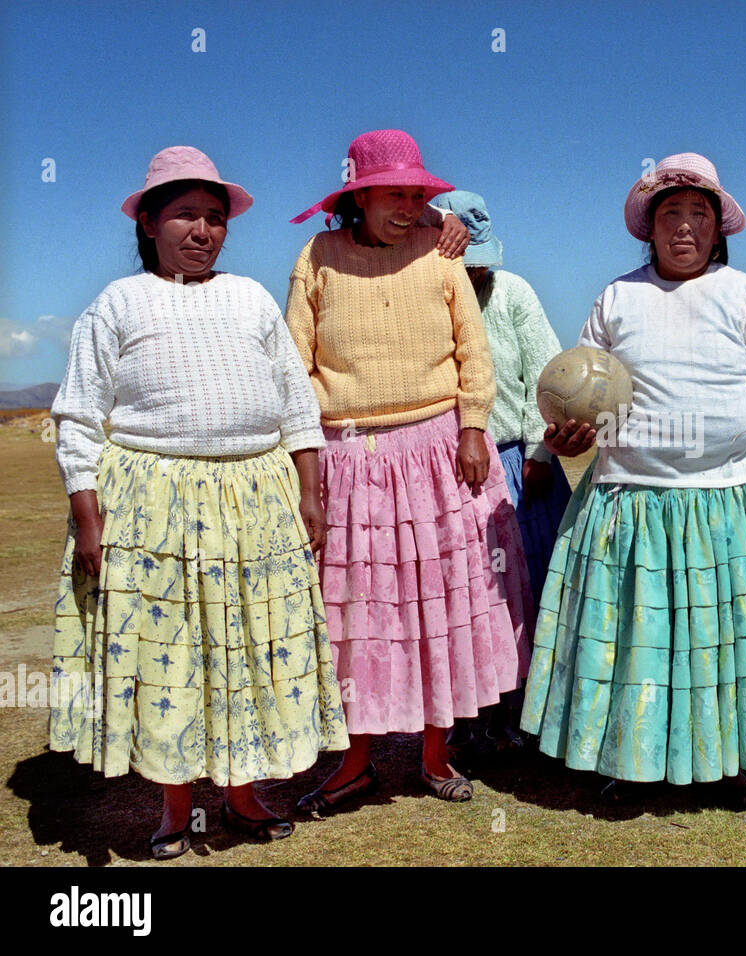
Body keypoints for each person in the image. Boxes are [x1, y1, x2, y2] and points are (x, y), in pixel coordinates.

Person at [49, 146, 348, 860]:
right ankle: (175, 809)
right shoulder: (116, 304)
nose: (203, 230)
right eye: (185, 214)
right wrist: (90, 522)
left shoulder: (249, 298)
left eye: (215, 218)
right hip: (153, 506)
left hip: (256, 500)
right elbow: (80, 418)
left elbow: (296, 406)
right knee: (172, 658)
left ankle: (244, 797)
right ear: (149, 222)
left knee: (248, 650)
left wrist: (311, 493)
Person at [520, 153, 746, 807]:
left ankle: (734, 763)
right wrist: (567, 441)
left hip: (731, 497)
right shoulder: (617, 297)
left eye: (698, 214)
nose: (684, 227)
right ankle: (629, 762)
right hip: (631, 497)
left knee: (729, 644)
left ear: (718, 229)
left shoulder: (744, 294)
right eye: (670, 214)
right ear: (648, 228)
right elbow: (584, 391)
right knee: (639, 640)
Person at [286, 130, 533, 809]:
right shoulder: (318, 258)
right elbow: (296, 369)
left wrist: (475, 427)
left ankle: (434, 755)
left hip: (438, 450)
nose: (406, 205)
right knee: (360, 617)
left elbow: (472, 353)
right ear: (357, 197)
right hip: (350, 456)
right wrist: (307, 468)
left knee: (442, 605)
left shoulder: (441, 253)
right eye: (392, 192)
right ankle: (355, 761)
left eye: (416, 194)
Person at [432, 189, 573, 756]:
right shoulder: (424, 294)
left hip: (519, 464)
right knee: (466, 595)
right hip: (452, 466)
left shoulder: (512, 292)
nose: (476, 269)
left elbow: (551, 378)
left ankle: (527, 713)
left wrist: (541, 456)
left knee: (532, 592)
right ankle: (470, 715)